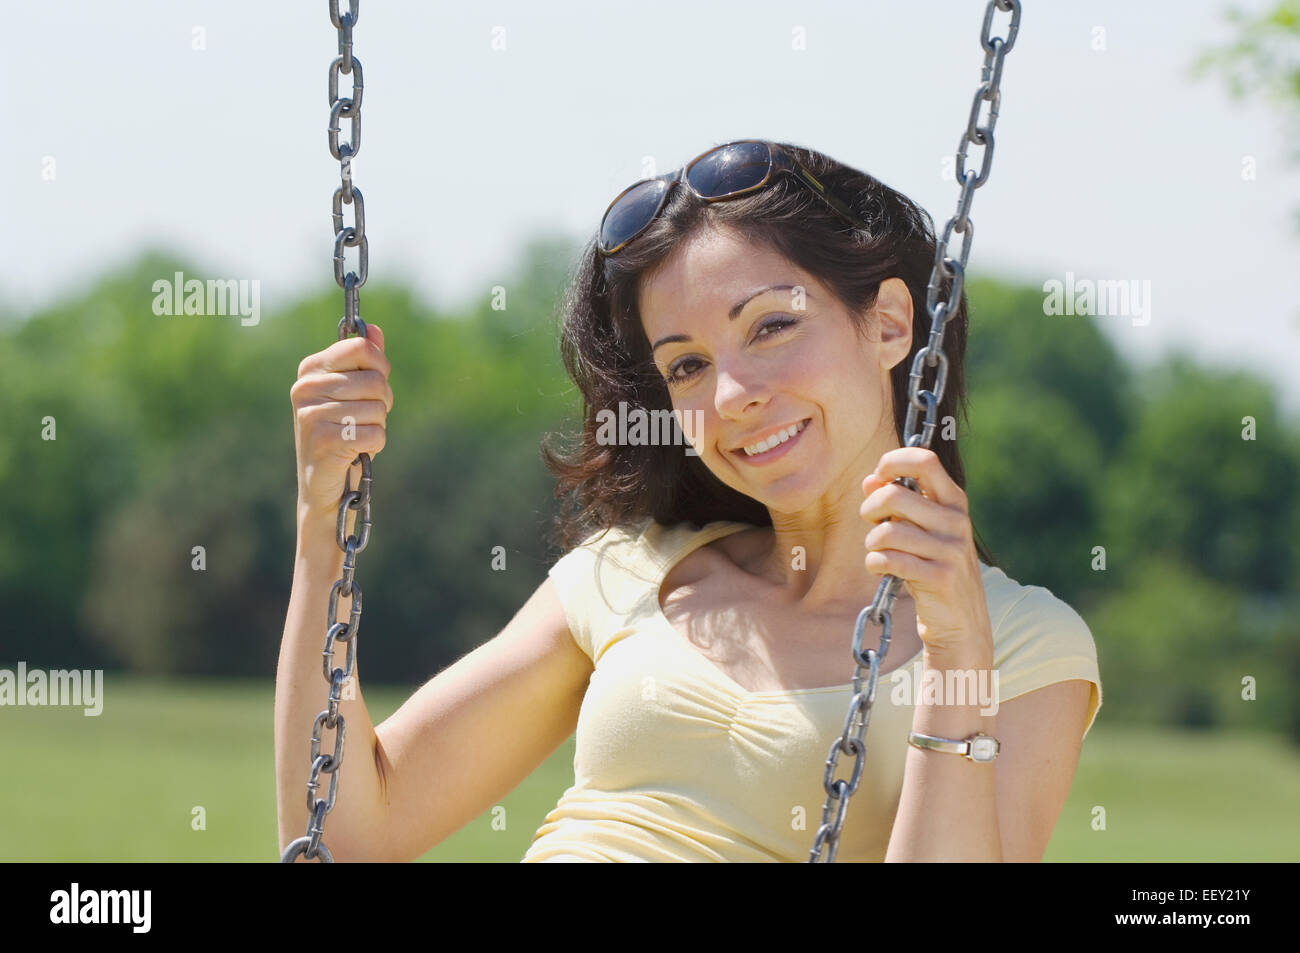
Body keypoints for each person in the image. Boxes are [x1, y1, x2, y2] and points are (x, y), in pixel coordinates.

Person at [277, 139, 1101, 863]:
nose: (734, 392)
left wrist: (956, 646)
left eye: (772, 326)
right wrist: (323, 523)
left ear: (888, 323)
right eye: (687, 366)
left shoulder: (1020, 643)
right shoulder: (631, 569)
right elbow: (350, 835)